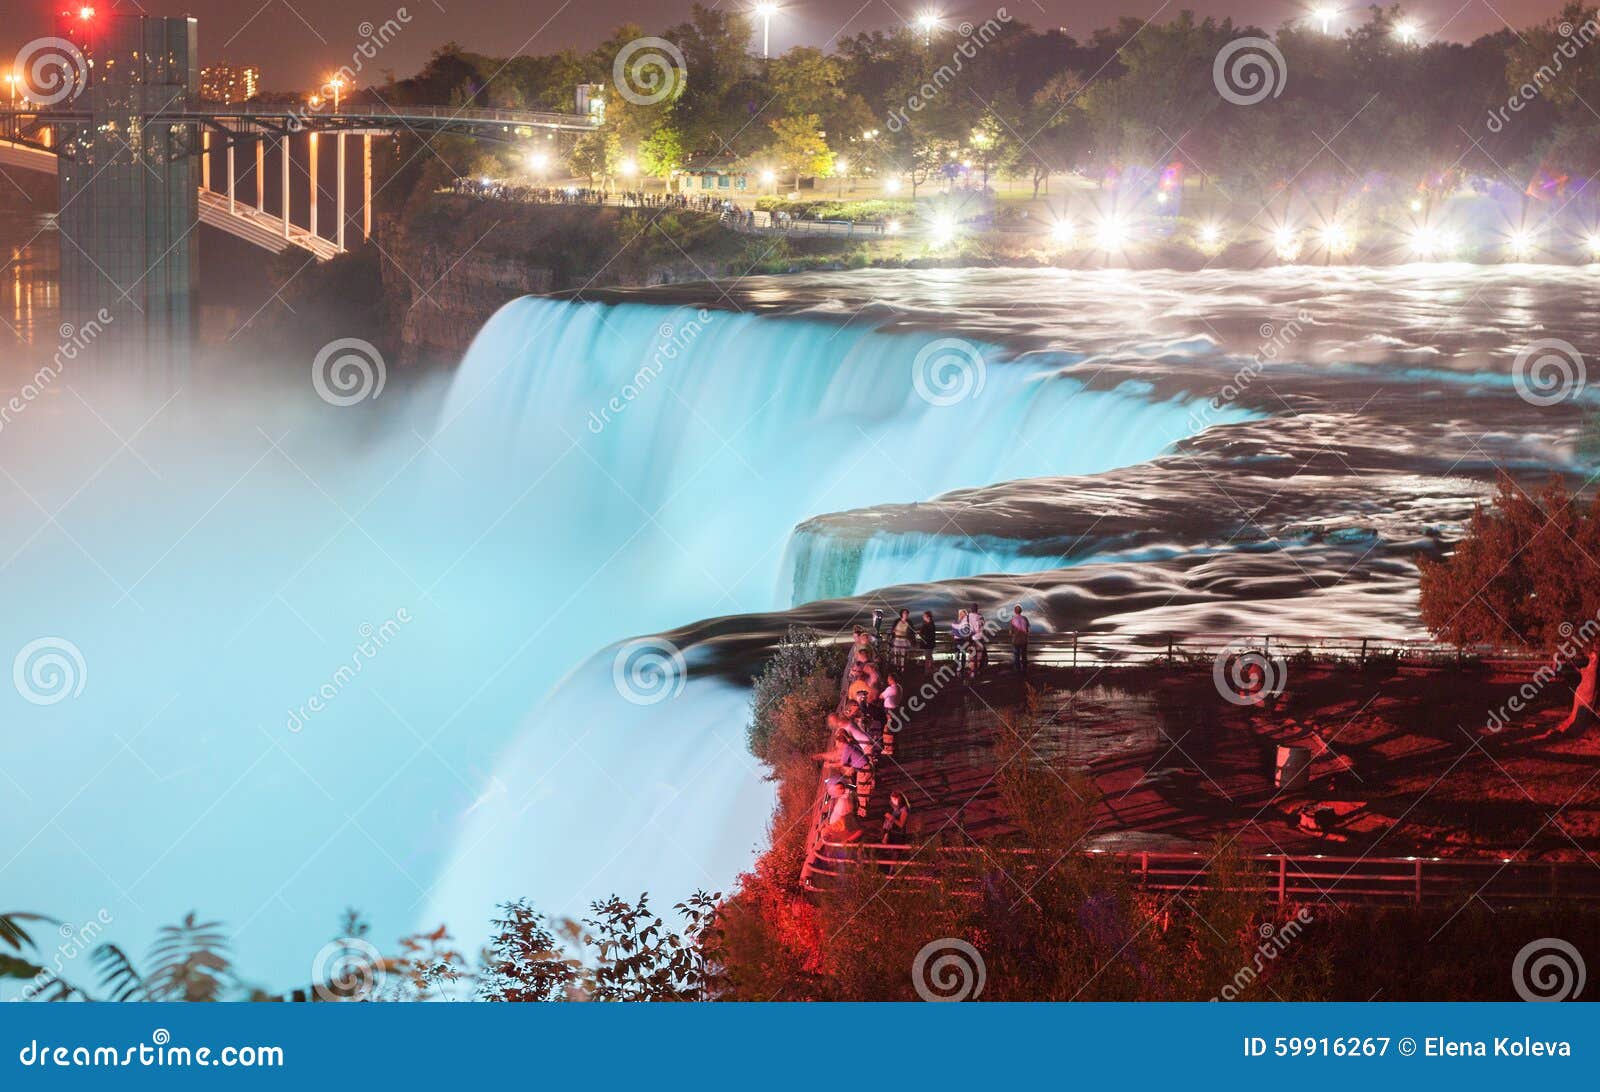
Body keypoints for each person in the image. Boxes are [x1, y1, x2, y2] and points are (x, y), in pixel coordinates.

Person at [1009, 604, 1031, 676]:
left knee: (1016, 656)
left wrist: (1014, 634)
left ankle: (1017, 671)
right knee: (1024, 655)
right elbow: (1028, 630)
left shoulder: (1013, 619)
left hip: (1016, 640)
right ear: (1021, 611)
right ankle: (1025, 670)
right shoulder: (1025, 618)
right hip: (1024, 640)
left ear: (1015, 611)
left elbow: (1010, 632)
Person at [966, 605, 987, 677]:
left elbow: (965, 627)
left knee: (972, 656)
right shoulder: (980, 617)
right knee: (978, 656)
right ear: (977, 609)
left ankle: (972, 672)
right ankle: (976, 671)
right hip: (979, 638)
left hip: (971, 638)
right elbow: (982, 625)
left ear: (971, 609)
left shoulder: (968, 617)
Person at [951, 609, 970, 675]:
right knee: (957, 655)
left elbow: (967, 632)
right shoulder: (956, 622)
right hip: (958, 640)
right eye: (961, 613)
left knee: (963, 655)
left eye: (963, 614)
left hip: (963, 640)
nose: (962, 615)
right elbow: (954, 631)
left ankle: (962, 669)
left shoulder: (966, 623)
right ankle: (956, 668)